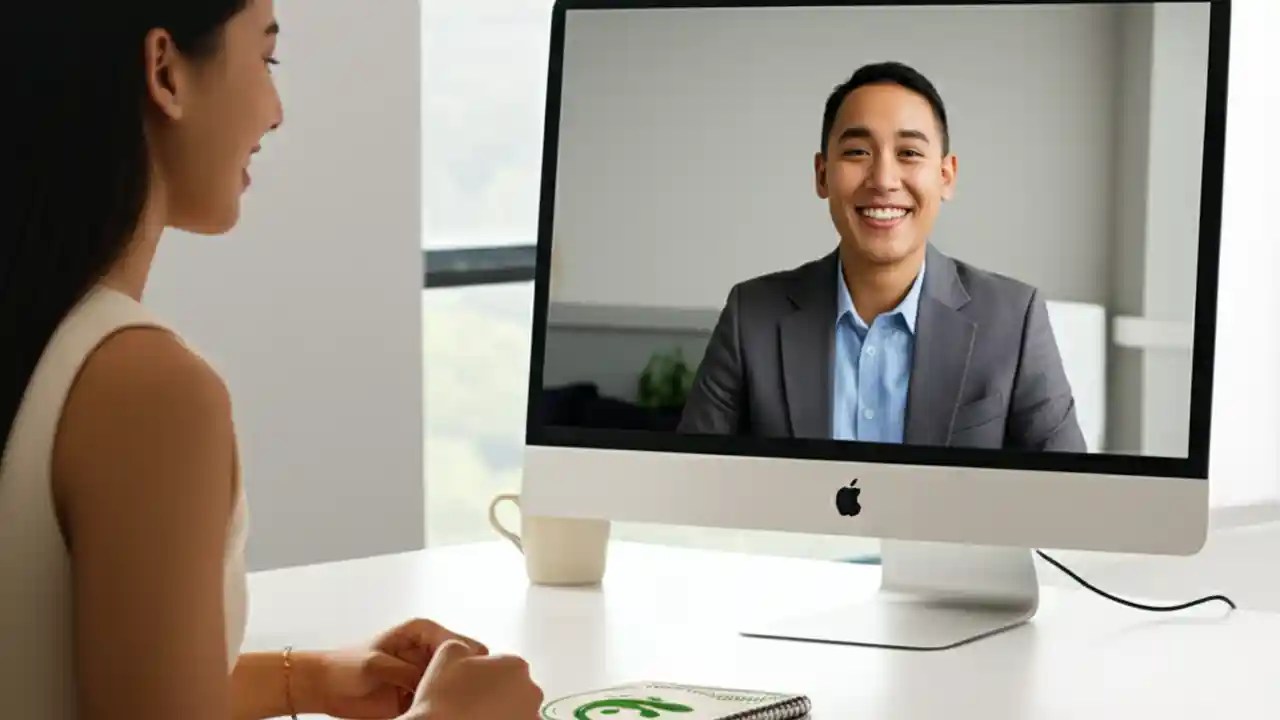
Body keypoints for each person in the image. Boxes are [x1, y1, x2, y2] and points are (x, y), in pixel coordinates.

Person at [0, 2, 543, 718]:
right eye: (266, 58)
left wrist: (304, 677)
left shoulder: (48, 341)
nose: (276, 110)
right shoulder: (147, 391)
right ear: (165, 73)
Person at [678, 62, 1086, 453]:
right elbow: (691, 481)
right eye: (858, 152)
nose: (884, 180)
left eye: (909, 153)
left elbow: (1069, 488)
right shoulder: (751, 317)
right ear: (822, 174)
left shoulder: (1014, 320)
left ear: (946, 176)